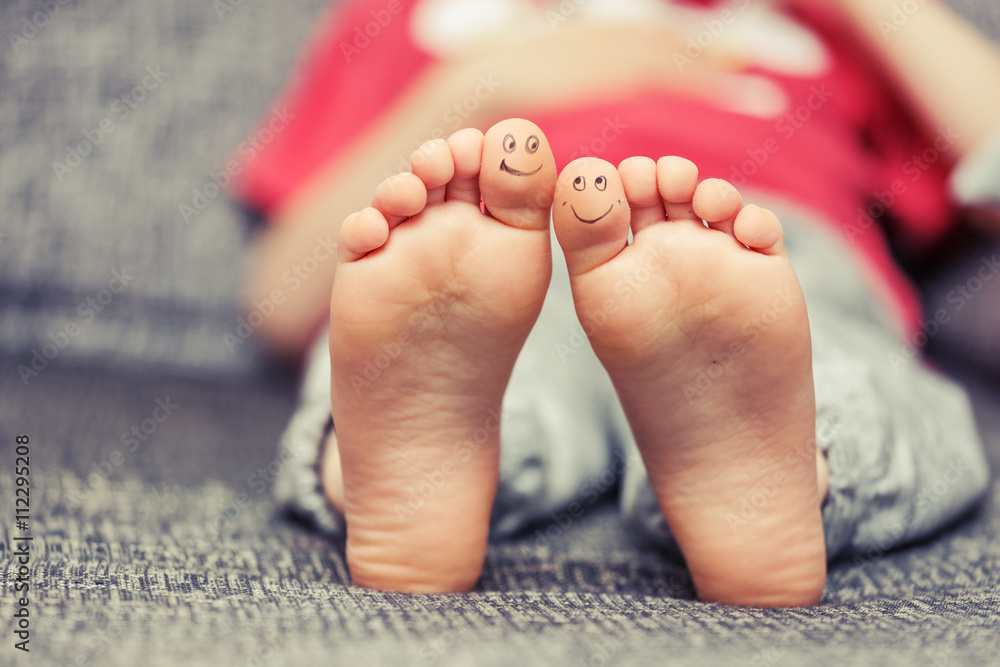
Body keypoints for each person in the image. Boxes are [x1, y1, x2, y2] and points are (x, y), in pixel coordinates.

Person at [236, 0, 1000, 606]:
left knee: (805, 342)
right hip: (497, 249)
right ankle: (411, 476)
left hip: (754, 248)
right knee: (439, 331)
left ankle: (778, 470)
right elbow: (278, 298)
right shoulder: (415, 19)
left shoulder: (813, 30)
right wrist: (483, 87)